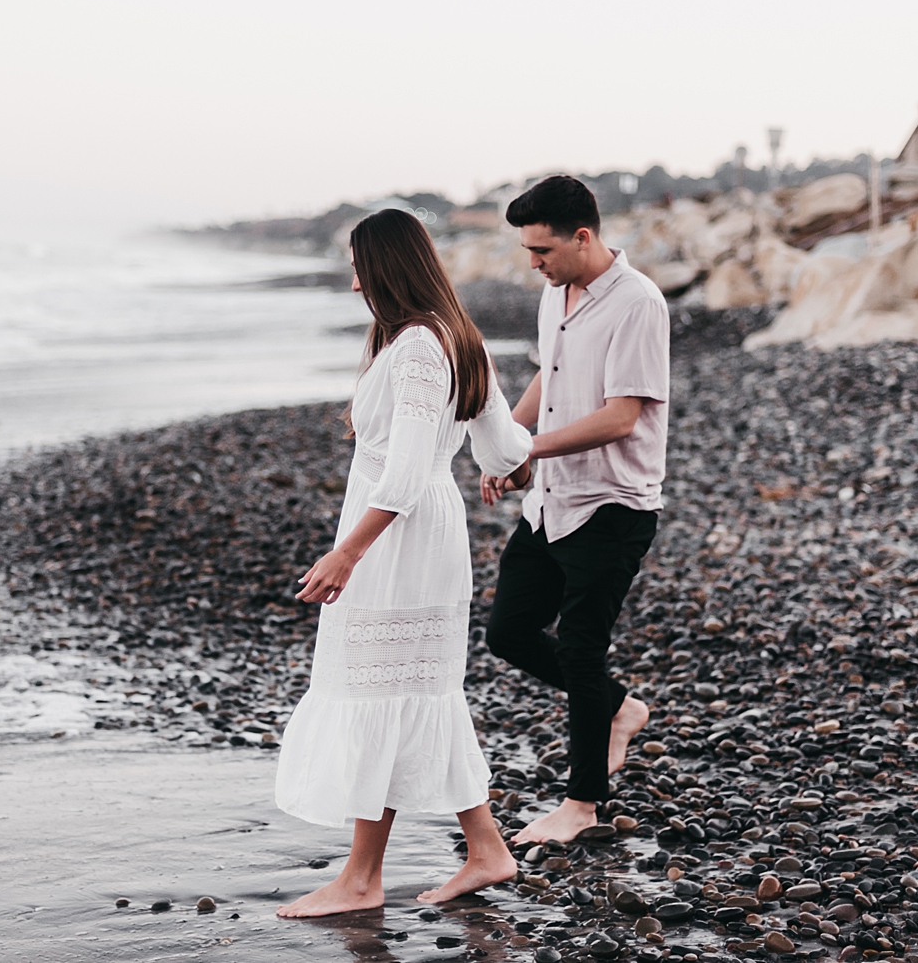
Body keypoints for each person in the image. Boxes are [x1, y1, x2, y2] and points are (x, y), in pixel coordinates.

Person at [274, 208, 535, 918]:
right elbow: (506, 448)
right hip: (416, 532)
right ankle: (485, 850)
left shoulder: (420, 347)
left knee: (381, 690)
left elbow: (414, 468)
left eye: (360, 265)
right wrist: (502, 472)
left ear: (385, 267)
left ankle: (362, 878)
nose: (354, 279)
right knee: (412, 689)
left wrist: (347, 551)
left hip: (398, 538)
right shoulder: (455, 336)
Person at [480, 175, 670, 845]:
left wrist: (533, 446)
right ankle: (619, 710)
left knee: (584, 654)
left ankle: (582, 804)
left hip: (612, 505)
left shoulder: (638, 304)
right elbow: (547, 374)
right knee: (507, 632)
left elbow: (622, 416)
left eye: (542, 250)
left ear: (582, 236)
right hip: (551, 502)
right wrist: (508, 448)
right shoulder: (555, 294)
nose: (532, 263)